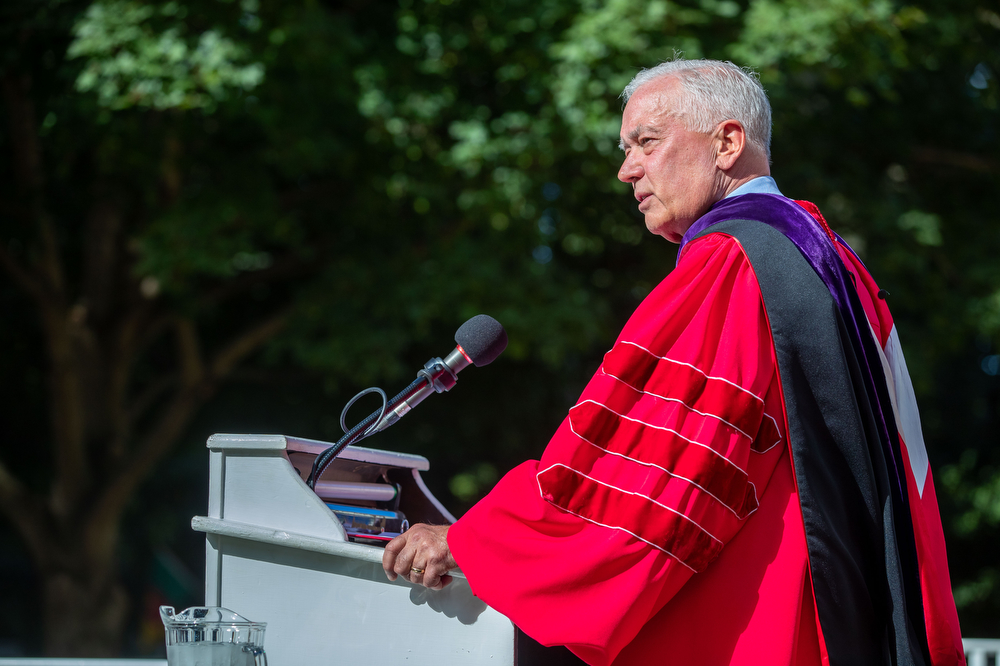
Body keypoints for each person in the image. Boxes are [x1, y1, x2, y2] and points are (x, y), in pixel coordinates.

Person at [382, 59, 966, 666]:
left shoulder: (731, 262)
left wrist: (478, 542)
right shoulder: (834, 260)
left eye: (647, 142)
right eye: (626, 148)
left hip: (761, 619)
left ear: (727, 142)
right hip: (845, 608)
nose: (626, 169)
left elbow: (654, 475)